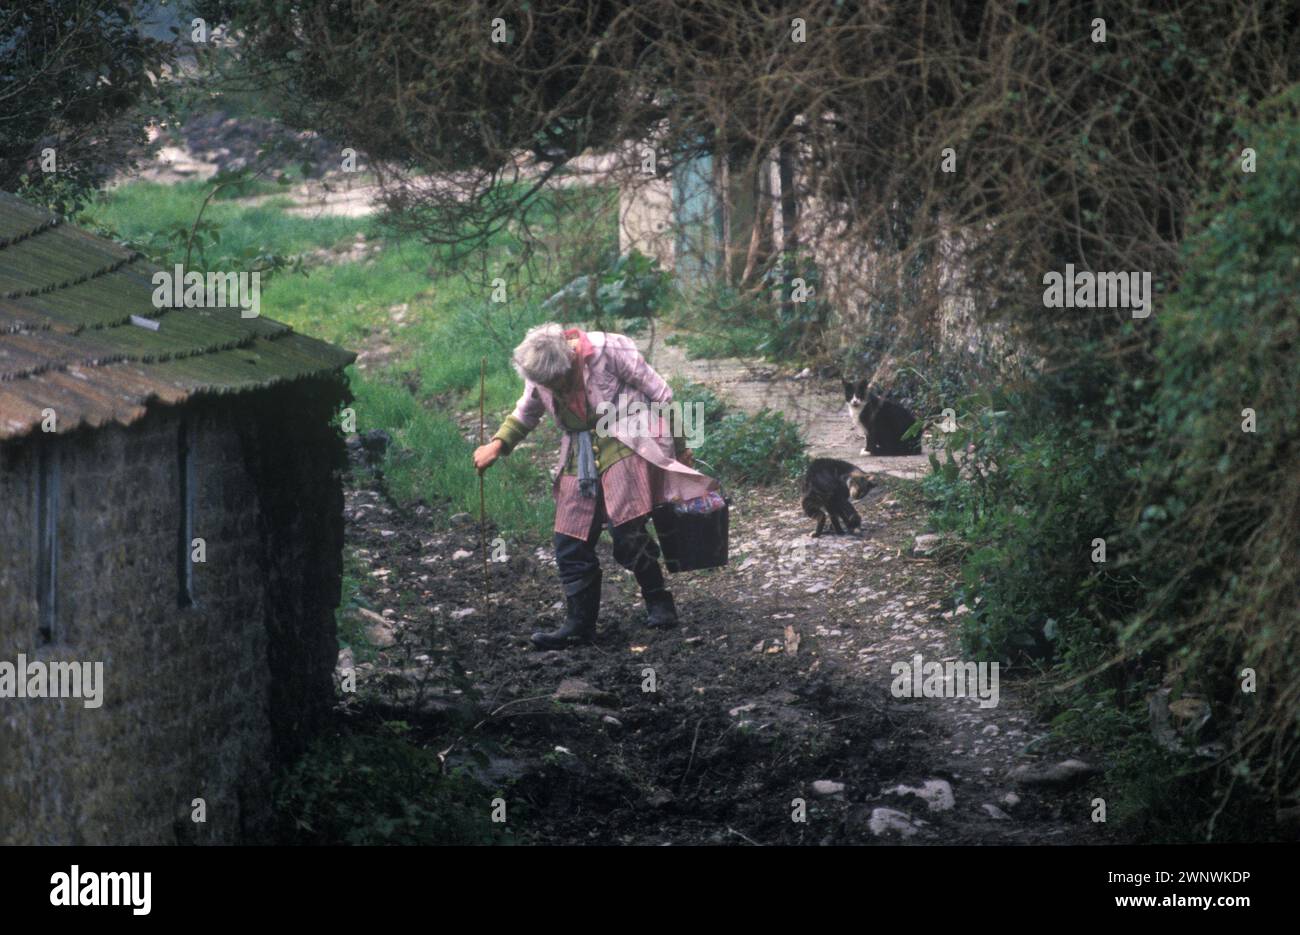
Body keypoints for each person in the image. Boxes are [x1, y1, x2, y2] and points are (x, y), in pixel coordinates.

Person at [473, 322, 718, 650]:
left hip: (625, 436)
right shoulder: (540, 372)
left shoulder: (611, 350)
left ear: (571, 362)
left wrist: (680, 444)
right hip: (580, 450)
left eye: (559, 383)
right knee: (568, 539)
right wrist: (499, 444)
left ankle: (659, 600)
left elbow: (663, 394)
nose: (555, 391)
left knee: (626, 530)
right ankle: (579, 625)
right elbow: (527, 410)